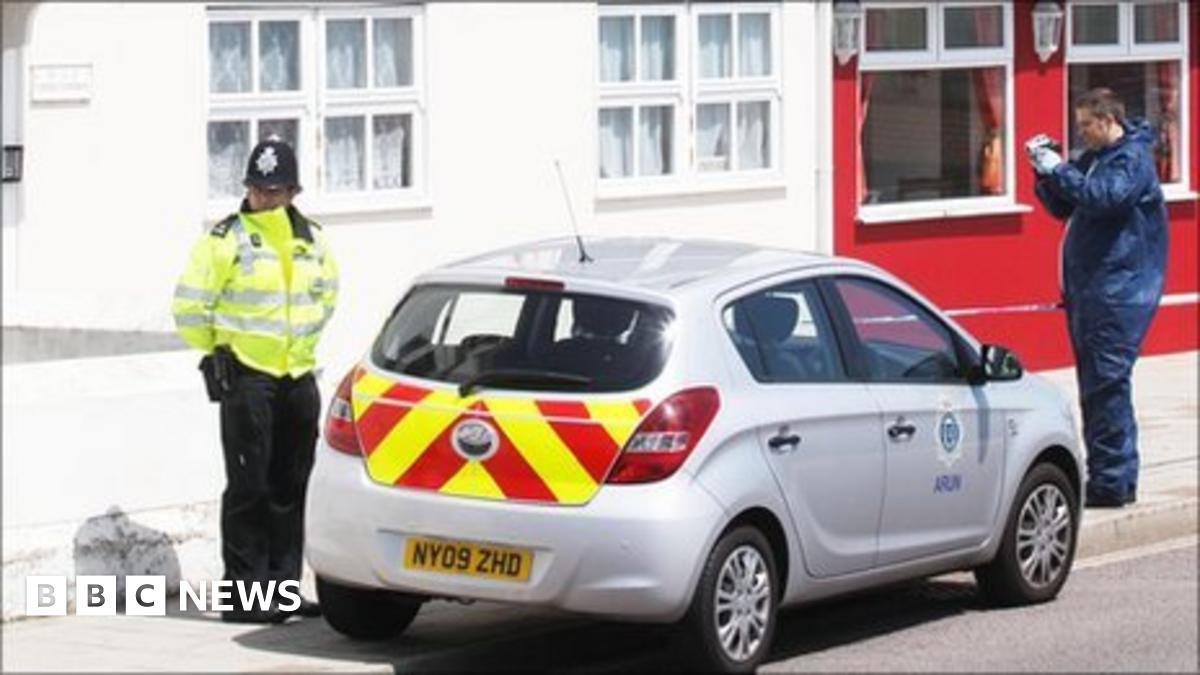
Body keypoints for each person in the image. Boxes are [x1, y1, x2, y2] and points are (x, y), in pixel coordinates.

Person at [172, 138, 339, 620]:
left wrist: (302, 347)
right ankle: (245, 599)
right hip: (248, 377)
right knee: (250, 486)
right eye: (260, 189)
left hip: (298, 375)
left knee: (292, 484)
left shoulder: (312, 238)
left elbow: (328, 296)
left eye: (277, 190)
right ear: (248, 188)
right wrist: (218, 350)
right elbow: (189, 305)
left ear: (292, 191)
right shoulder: (226, 239)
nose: (267, 198)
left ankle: (282, 591)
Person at [1027, 88, 1168, 508]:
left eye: (1086, 124)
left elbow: (1103, 198)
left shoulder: (1131, 159)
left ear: (1108, 120)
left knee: (1105, 386)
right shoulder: (1100, 159)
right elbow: (1065, 205)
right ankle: (1116, 479)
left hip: (1118, 292)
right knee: (1099, 387)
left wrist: (1062, 170)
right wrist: (1045, 170)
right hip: (1093, 291)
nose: (1081, 132)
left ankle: (1109, 483)